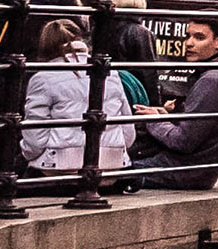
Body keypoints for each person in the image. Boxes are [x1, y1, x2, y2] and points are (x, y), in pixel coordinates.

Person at [137, 13, 218, 189]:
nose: (189, 43)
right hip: (197, 170)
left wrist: (154, 120)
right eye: (188, 36)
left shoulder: (214, 79)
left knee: (107, 171)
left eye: (199, 37)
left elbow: (182, 141)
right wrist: (166, 116)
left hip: (181, 171)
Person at [18, 17, 133, 179]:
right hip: (111, 166)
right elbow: (128, 132)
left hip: (59, 167)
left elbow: (35, 140)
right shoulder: (110, 72)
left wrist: (26, 154)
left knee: (13, 176)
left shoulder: (42, 77)